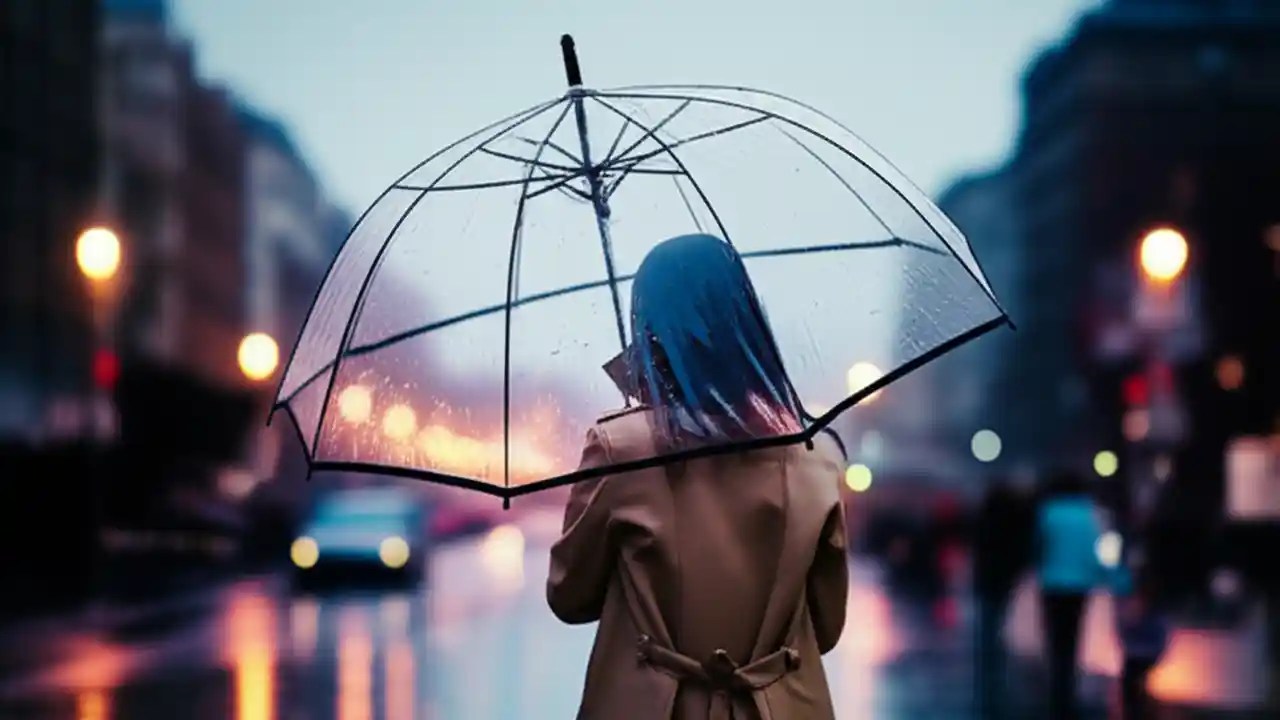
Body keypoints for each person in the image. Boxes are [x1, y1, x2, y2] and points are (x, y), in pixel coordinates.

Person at [547, 233, 849, 720]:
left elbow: (570, 597)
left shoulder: (622, 449)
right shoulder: (816, 457)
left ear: (648, 328)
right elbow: (827, 627)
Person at [1036, 470, 1104, 720]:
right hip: (1079, 584)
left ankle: (1057, 685)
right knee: (1073, 634)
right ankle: (1070, 684)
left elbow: (1039, 545)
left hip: (1052, 582)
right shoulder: (1089, 513)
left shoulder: (1048, 512)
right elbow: (1093, 549)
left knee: (1055, 635)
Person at [973, 478, 1034, 718]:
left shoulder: (986, 522)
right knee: (1000, 621)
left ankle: (988, 666)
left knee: (987, 625)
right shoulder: (1015, 524)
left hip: (988, 580)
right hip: (1005, 579)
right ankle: (997, 663)